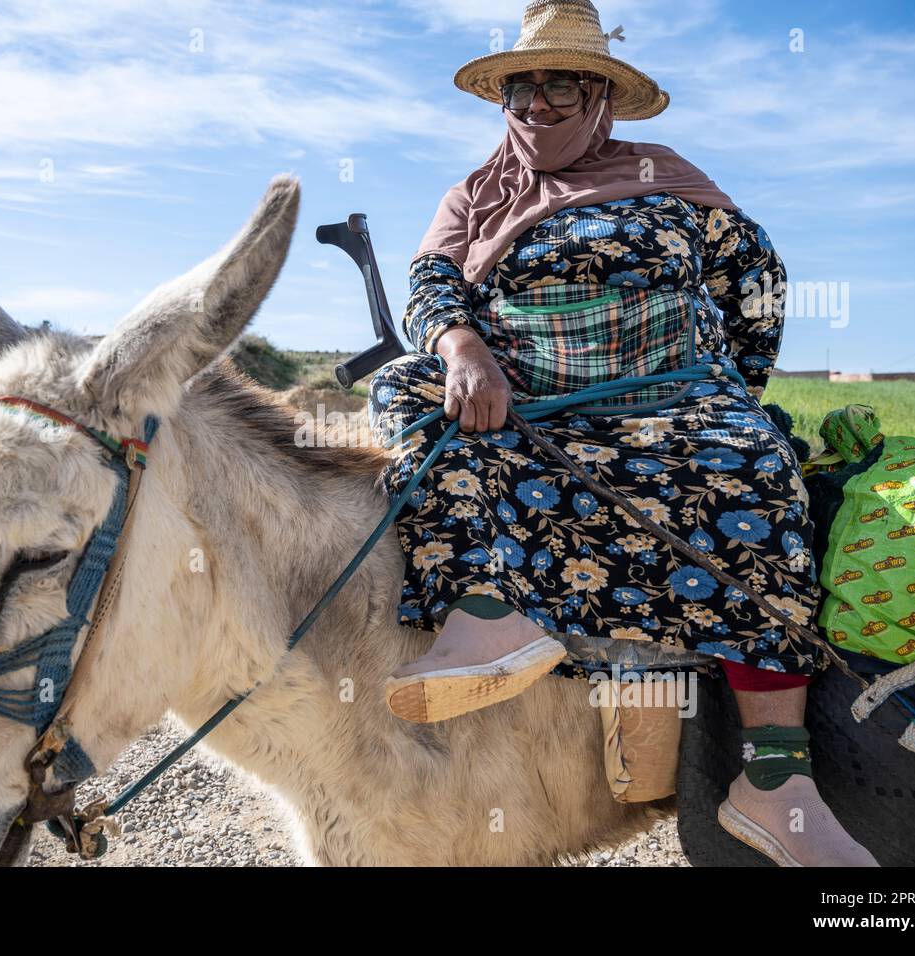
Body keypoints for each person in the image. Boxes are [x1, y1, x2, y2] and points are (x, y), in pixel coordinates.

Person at [366, 0, 878, 867]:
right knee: (407, 394)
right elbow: (430, 288)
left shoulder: (664, 171)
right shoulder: (476, 193)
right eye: (519, 90)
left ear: (602, 97)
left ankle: (776, 782)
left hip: (669, 390)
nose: (534, 107)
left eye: (558, 88)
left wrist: (728, 391)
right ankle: (491, 611)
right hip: (523, 390)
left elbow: (755, 283)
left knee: (757, 465)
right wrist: (463, 350)